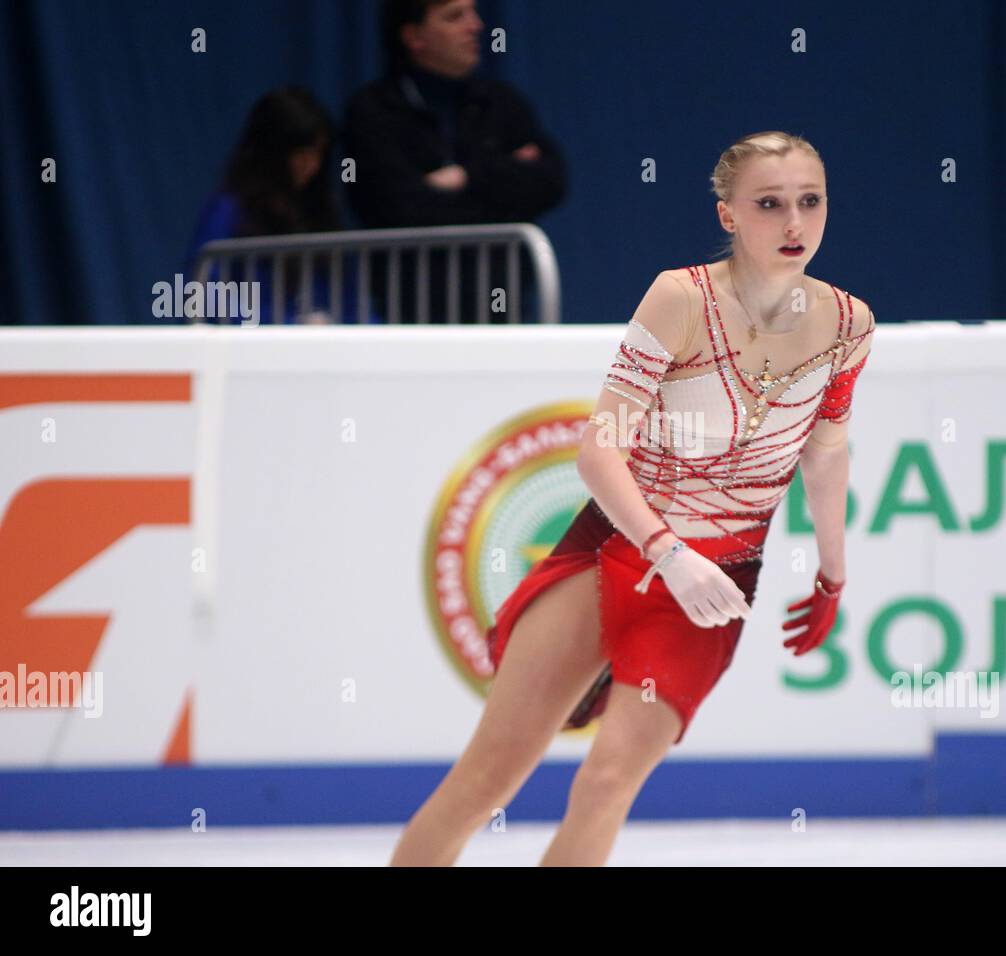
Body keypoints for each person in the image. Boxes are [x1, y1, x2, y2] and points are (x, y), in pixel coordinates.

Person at [391, 131, 876, 866]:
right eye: (769, 204)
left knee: (607, 783)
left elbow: (826, 452)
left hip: (717, 580)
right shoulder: (679, 298)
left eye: (811, 201)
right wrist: (668, 552)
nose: (794, 223)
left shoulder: (848, 324)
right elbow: (599, 451)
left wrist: (833, 574)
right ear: (728, 215)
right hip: (615, 546)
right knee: (488, 778)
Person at [343, 0, 567, 323]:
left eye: (473, 12)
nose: (475, 26)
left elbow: (550, 180)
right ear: (414, 36)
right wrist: (502, 190)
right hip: (408, 310)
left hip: (500, 306)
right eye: (454, 16)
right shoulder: (374, 110)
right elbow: (396, 207)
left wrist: (467, 176)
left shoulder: (500, 102)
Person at [184, 86, 375, 323]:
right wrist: (282, 327)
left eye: (318, 153)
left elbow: (351, 303)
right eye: (301, 153)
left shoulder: (321, 212)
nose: (312, 165)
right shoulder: (229, 210)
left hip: (321, 340)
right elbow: (204, 291)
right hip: (255, 342)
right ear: (272, 152)